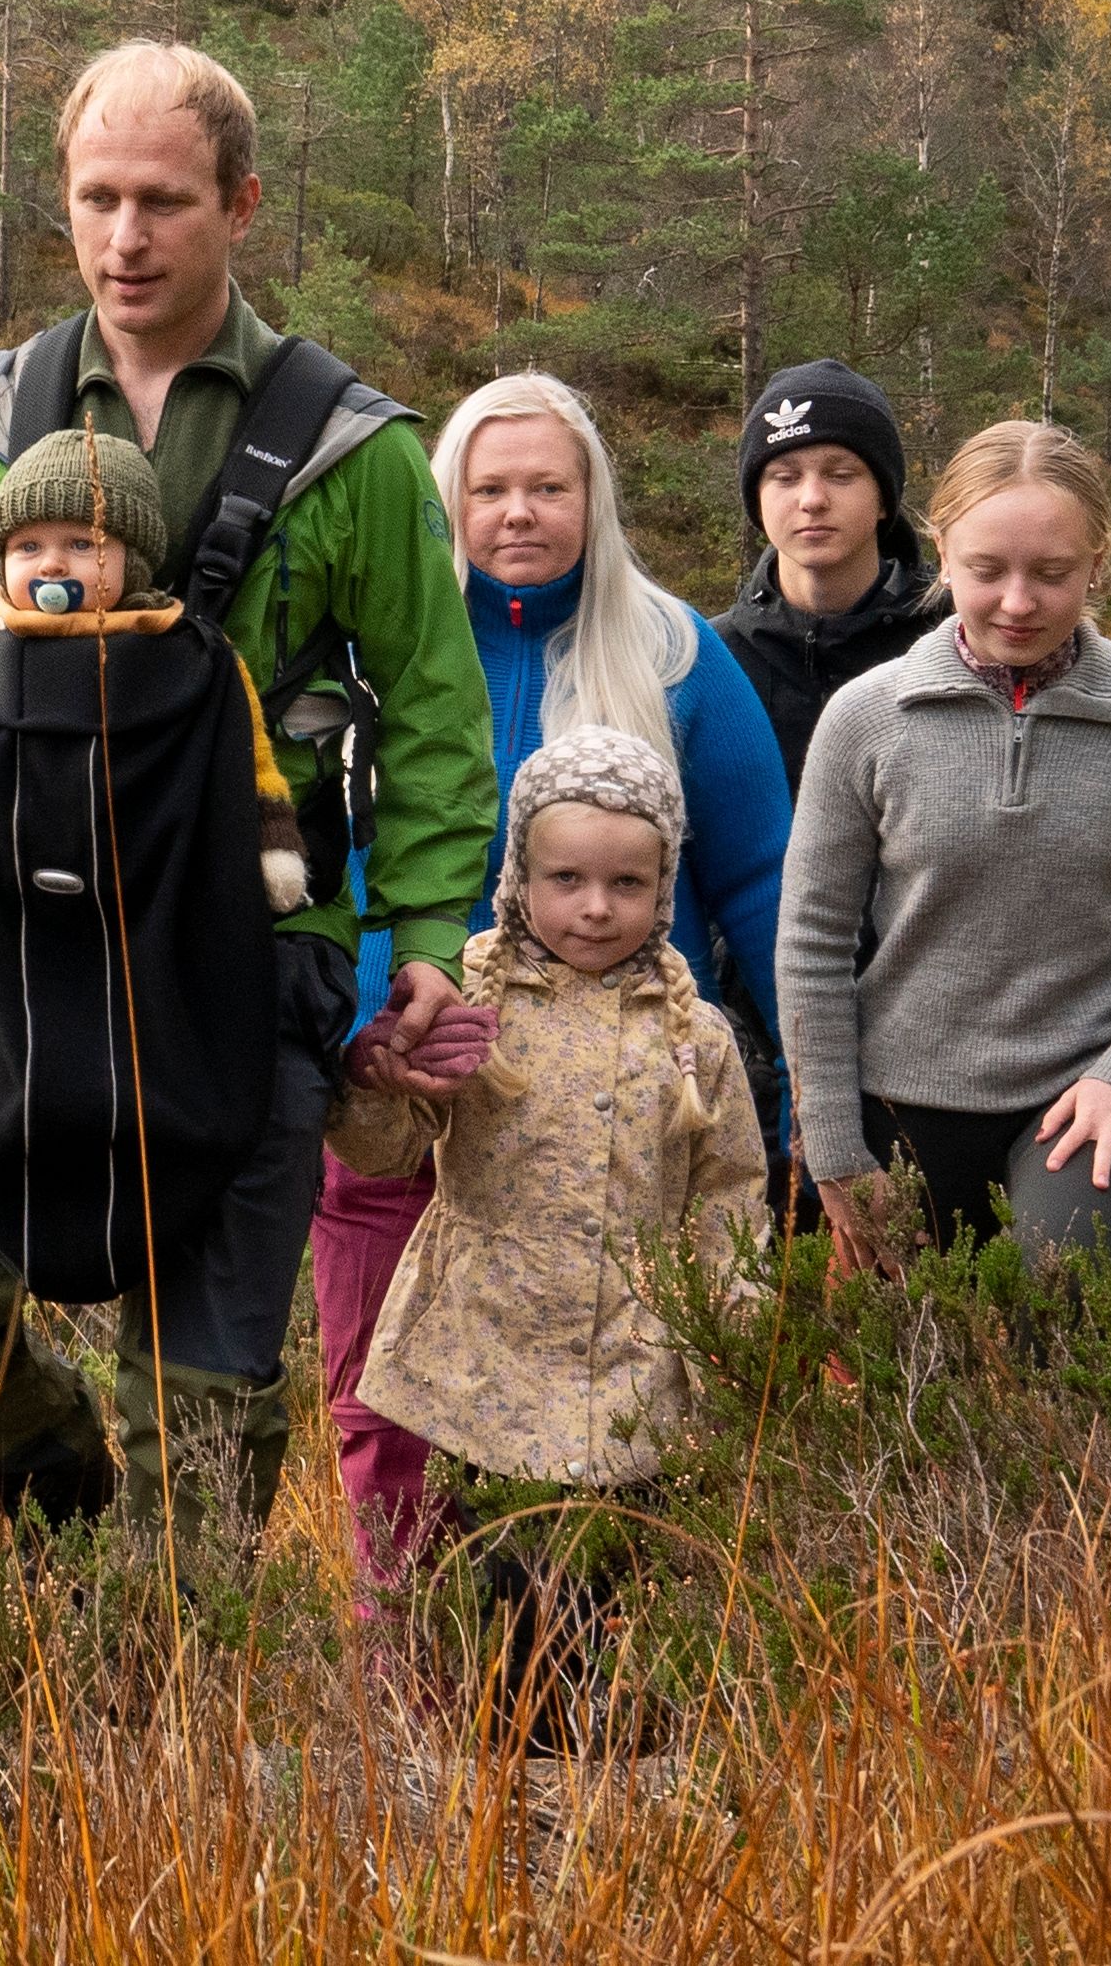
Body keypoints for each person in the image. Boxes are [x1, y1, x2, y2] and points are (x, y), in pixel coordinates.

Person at [0, 42, 500, 1556]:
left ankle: (158, 1689)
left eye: (165, 201)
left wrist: (427, 928)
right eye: (97, 197)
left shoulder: (351, 450)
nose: (126, 237)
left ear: (239, 204)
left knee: (200, 1395)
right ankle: (64, 1505)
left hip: (240, 971)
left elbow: (439, 714)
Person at [312, 371, 787, 1595]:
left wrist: (807, 1094)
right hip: (396, 1072)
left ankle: (592, 1697)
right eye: (488, 487)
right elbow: (318, 859)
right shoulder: (377, 656)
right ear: (444, 503)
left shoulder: (675, 653)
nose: (518, 512)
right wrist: (357, 1034)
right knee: (383, 1404)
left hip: (617, 1099)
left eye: (548, 486)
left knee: (604, 1416)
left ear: (595, 499)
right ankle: (414, 1681)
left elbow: (761, 881)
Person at [325, 728, 770, 1721]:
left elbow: (730, 1196)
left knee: (607, 1589)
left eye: (627, 882)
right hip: (484, 1349)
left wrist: (731, 1334)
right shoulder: (468, 999)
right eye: (565, 877)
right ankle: (490, 1776)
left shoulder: (692, 1036)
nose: (596, 907)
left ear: (664, 888)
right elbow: (390, 1150)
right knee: (493, 1585)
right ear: (520, 875)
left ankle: (603, 1772)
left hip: (633, 1359)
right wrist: (379, 1082)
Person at [0, 430, 315, 1303]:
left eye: (81, 545)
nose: (50, 564)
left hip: (155, 950)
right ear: (0, 561)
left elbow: (251, 773)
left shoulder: (197, 664)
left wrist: (272, 849)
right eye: (27, 548)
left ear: (131, 555)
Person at [774, 421, 1111, 1272]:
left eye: (1052, 573)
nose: (1017, 602)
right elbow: (812, 942)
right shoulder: (865, 718)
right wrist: (834, 1151)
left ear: (1098, 565)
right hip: (898, 1103)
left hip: (1084, 1099)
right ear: (941, 553)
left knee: (1057, 1329)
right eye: (986, 570)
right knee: (903, 1377)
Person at [715, 359, 953, 787]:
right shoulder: (714, 660)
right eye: (784, 477)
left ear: (884, 499)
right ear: (757, 503)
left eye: (841, 475)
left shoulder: (955, 644)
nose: (812, 499)